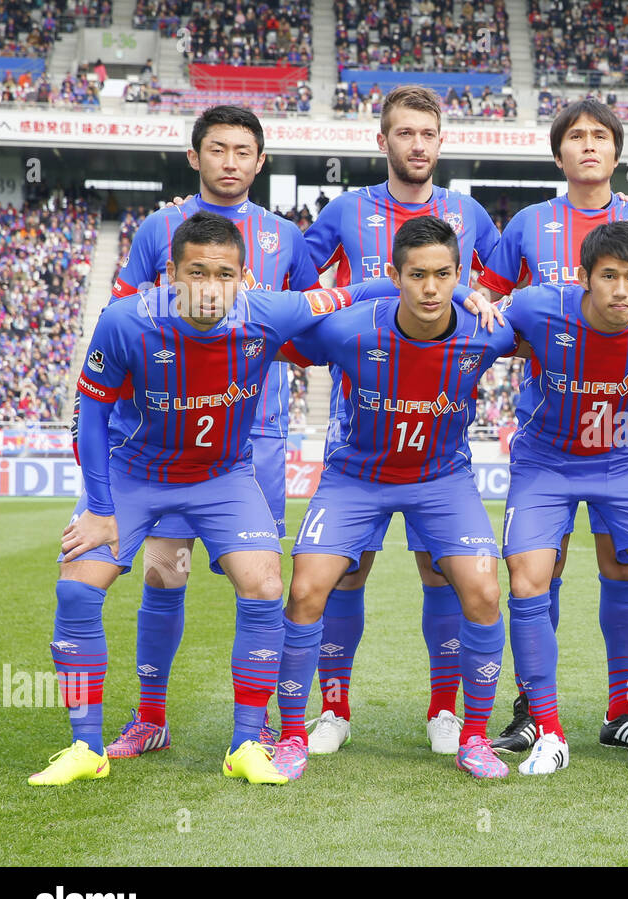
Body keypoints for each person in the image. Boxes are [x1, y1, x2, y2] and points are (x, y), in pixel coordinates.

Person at [29, 212, 382, 786]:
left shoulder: (268, 312)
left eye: (224, 274)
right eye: (197, 272)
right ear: (170, 273)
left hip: (223, 477)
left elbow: (366, 287)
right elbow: (90, 417)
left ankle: (245, 740)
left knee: (266, 585)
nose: (210, 287)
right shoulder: (125, 322)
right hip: (135, 475)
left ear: (244, 279)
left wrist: (465, 294)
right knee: (76, 588)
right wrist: (99, 507)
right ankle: (84, 747)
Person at [475, 98, 628, 756]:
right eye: (574, 137)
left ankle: (621, 705)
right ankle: (531, 706)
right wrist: (517, 341)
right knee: (539, 567)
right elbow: (491, 302)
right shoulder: (527, 223)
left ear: (617, 149)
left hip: (623, 437)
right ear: (558, 154)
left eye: (599, 136)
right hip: (549, 425)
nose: (587, 146)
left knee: (623, 565)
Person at [101, 106, 321, 776]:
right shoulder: (160, 228)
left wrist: (249, 336)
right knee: (165, 573)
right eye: (217, 149)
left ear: (261, 162)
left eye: (242, 151)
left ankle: (272, 733)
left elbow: (306, 337)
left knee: (261, 583)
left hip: (253, 438)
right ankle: (152, 719)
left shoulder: (286, 238)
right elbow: (128, 318)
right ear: (194, 156)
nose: (230, 161)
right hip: (167, 442)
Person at [301, 85, 502, 758]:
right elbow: (299, 284)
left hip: (437, 418)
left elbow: (503, 288)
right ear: (382, 141)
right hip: (361, 423)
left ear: (442, 143)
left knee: (440, 570)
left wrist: (481, 295)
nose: (417, 144)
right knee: (344, 573)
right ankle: (333, 709)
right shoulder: (346, 211)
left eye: (428, 133)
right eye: (405, 133)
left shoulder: (469, 213)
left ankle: (446, 710)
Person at [282, 217, 515, 779]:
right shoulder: (349, 330)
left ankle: (469, 732)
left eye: (443, 276)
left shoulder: (488, 330)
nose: (430, 288)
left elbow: (568, 325)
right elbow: (275, 334)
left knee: (483, 590)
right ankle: (303, 727)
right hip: (356, 477)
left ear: (461, 276)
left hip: (442, 479)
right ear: (394, 276)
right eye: (416, 276)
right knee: (308, 588)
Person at [495, 222, 628, 776]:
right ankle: (548, 728)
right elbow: (481, 327)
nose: (620, 290)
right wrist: (473, 299)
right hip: (546, 462)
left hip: (624, 462)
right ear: (583, 277)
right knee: (528, 577)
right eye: (608, 276)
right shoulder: (539, 306)